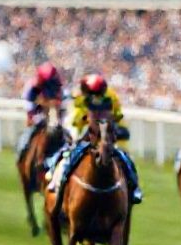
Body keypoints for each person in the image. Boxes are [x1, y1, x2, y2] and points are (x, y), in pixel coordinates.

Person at [46, 73, 142, 204]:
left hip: (106, 133)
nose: (95, 97)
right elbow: (75, 120)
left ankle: (135, 188)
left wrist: (116, 127)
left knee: (125, 158)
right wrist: (83, 124)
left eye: (97, 93)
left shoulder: (111, 97)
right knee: (68, 155)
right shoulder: (80, 98)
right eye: (92, 93)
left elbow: (118, 115)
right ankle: (56, 180)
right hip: (85, 133)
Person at [15, 63, 65, 160]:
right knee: (27, 135)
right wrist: (33, 118)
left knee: (64, 132)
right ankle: (21, 153)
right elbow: (30, 108)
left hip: (52, 113)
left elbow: (59, 104)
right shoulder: (31, 87)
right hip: (37, 112)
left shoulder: (57, 85)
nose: (50, 85)